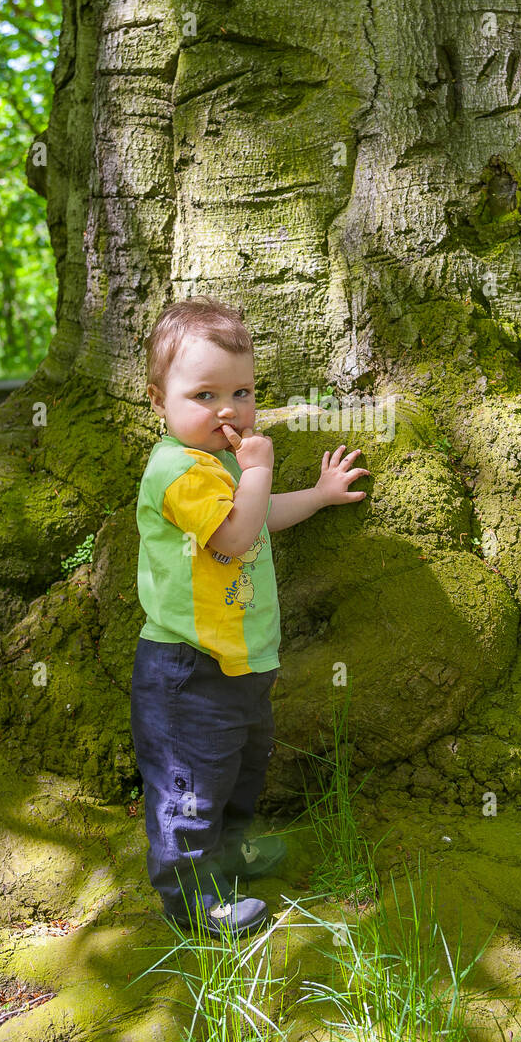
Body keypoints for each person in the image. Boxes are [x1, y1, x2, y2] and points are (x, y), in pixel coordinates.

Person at [130, 296, 370, 938]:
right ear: (159, 401)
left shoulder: (220, 467)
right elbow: (235, 536)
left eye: (241, 392)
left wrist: (316, 497)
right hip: (188, 667)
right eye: (204, 394)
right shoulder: (178, 471)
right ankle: (191, 898)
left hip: (241, 663)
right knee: (191, 787)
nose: (227, 410)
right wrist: (258, 469)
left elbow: (257, 515)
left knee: (240, 768)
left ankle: (228, 855)